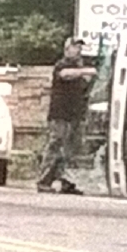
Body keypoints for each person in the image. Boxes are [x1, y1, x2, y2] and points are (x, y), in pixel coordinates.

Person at [37, 37, 97, 194]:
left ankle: (63, 181)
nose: (78, 50)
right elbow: (65, 74)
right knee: (55, 145)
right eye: (75, 47)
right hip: (60, 114)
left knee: (70, 150)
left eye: (79, 47)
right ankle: (44, 180)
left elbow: (84, 87)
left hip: (74, 114)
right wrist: (86, 71)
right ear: (67, 48)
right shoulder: (62, 64)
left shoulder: (79, 67)